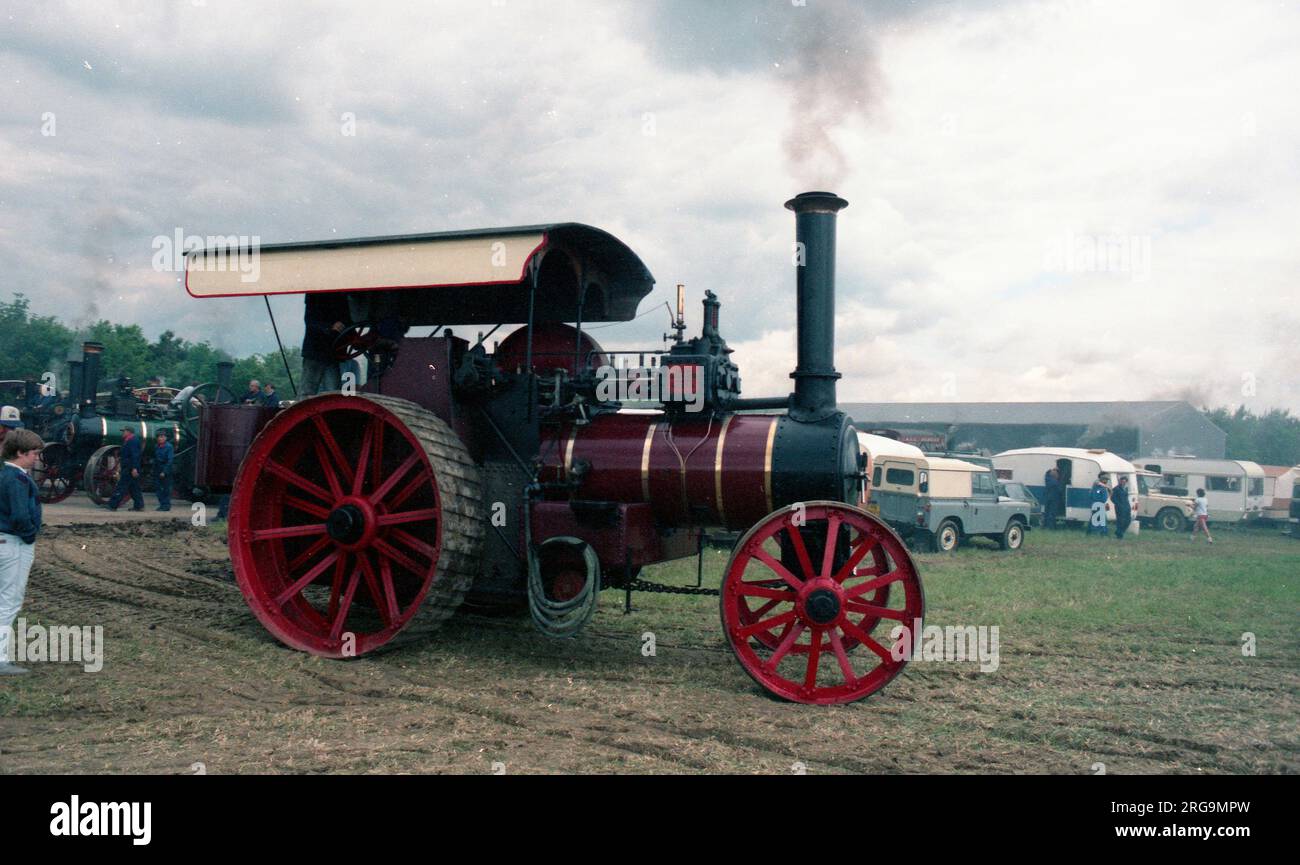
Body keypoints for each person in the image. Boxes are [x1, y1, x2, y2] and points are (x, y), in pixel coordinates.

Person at [0, 428, 44, 675]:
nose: (36, 458)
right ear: (20, 452)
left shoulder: (3, 475)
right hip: (14, 543)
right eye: (34, 453)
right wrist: (29, 535)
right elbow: (19, 515)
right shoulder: (17, 479)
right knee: (9, 601)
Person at [302, 293, 348, 396]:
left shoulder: (338, 297)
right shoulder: (315, 295)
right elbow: (310, 321)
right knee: (309, 391)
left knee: (332, 392)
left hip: (330, 353)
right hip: (316, 352)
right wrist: (330, 327)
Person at [106, 426, 145, 511]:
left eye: (124, 431)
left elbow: (135, 456)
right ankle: (139, 506)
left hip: (130, 468)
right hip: (129, 467)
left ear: (129, 432)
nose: (123, 433)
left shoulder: (133, 441)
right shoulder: (128, 440)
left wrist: (134, 468)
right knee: (134, 488)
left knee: (122, 486)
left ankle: (113, 505)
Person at [153, 431, 174, 512]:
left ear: (165, 438)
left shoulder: (169, 447)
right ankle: (162, 504)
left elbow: (170, 460)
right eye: (159, 437)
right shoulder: (156, 446)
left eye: (162, 437)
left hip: (165, 469)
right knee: (158, 488)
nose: (160, 438)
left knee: (166, 488)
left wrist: (164, 471)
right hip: (157, 469)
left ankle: (166, 505)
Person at [1112, 475, 1133, 539]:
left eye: (1125, 482)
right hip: (1119, 508)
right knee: (1120, 521)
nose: (1123, 483)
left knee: (1128, 520)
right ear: (1120, 481)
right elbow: (1113, 498)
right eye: (1122, 481)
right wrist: (1119, 505)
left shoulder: (1126, 488)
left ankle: (1119, 532)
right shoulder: (1116, 488)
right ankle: (1119, 535)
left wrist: (1129, 506)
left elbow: (1126, 498)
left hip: (1126, 507)